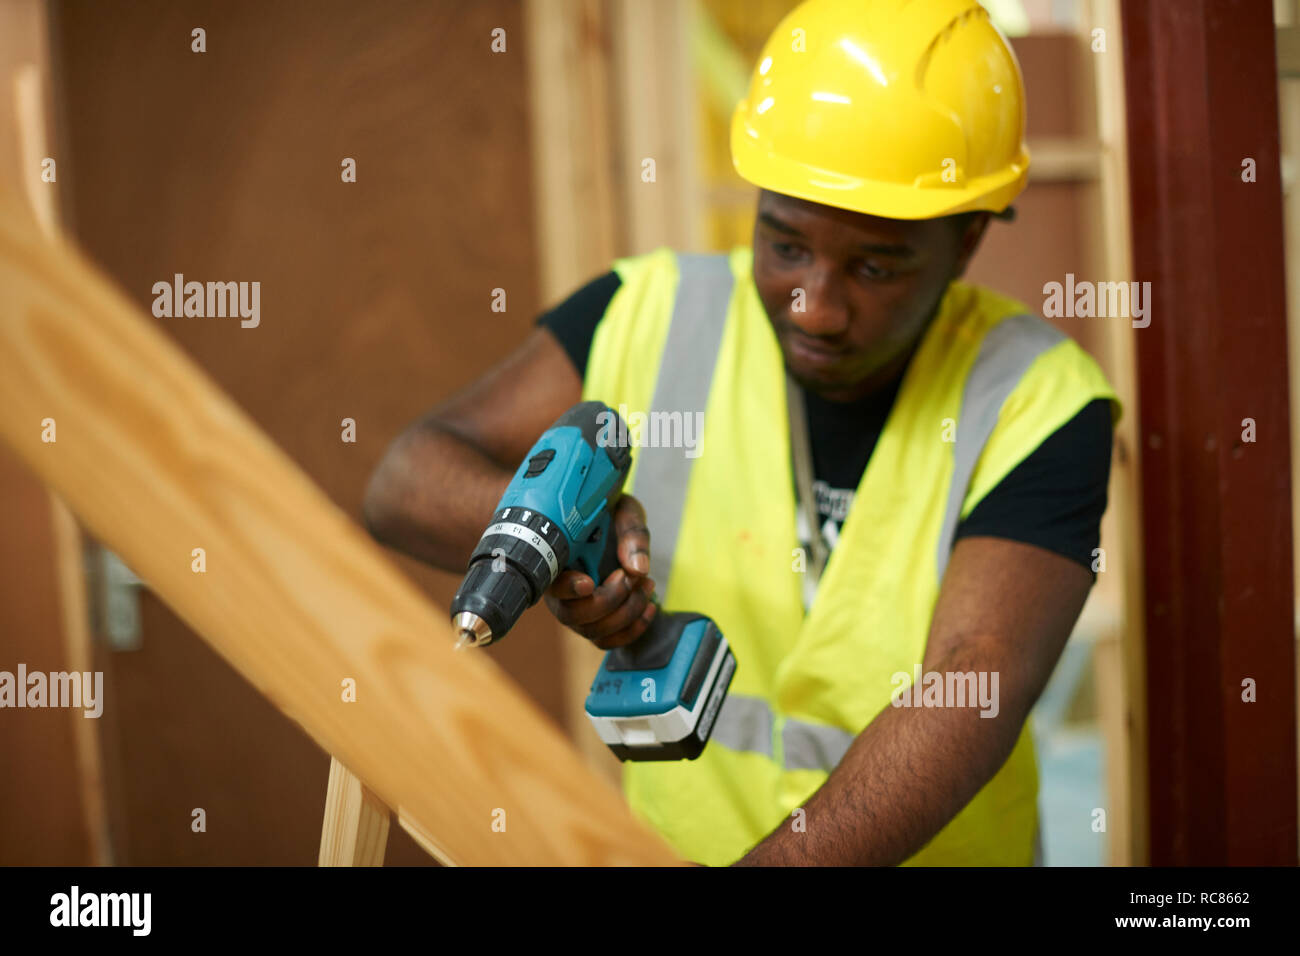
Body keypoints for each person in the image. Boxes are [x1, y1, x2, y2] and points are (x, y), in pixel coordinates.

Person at [362, 0, 1120, 866]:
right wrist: (553, 533)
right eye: (786, 245)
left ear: (969, 239)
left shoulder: (1038, 398)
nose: (817, 308)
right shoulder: (646, 311)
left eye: (876, 266)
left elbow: (977, 674)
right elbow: (402, 480)